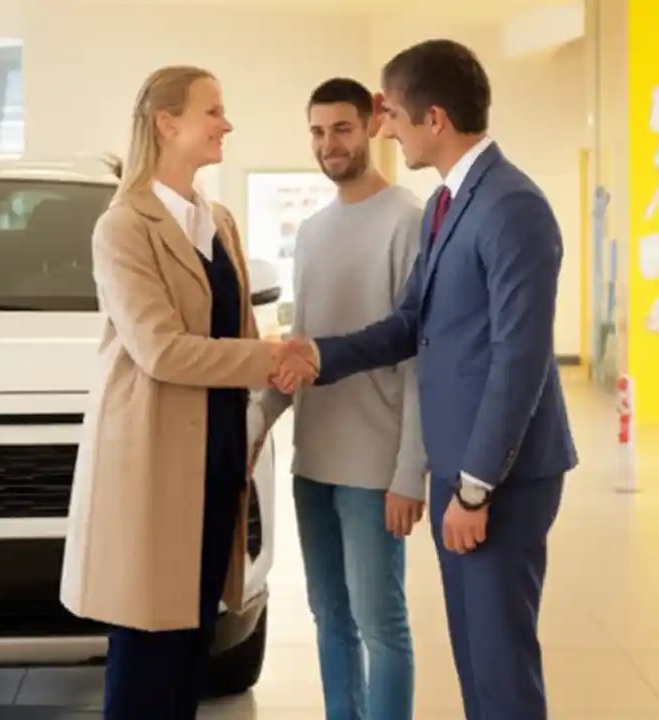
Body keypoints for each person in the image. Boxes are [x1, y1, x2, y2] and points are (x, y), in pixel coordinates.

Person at [274, 39, 578, 720]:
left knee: (501, 664)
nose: (386, 130)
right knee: (474, 655)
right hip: (459, 469)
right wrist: (319, 354)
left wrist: (473, 487)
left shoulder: (511, 206)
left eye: (393, 117)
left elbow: (520, 358)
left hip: (498, 477)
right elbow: (412, 322)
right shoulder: (451, 203)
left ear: (434, 119)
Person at [58, 65, 286, 719]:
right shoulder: (124, 226)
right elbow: (159, 349)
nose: (227, 124)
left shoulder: (219, 222)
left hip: (217, 461)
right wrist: (271, 360)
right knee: (148, 647)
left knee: (193, 648)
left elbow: (238, 331)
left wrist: (278, 367)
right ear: (168, 123)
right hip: (152, 465)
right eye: (214, 110)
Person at [251, 77, 426, 720]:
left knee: (382, 623)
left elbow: (417, 356)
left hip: (375, 468)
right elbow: (303, 348)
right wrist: (258, 422)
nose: (329, 145)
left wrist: (411, 471)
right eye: (318, 132)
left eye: (342, 129)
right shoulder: (314, 230)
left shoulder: (407, 220)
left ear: (374, 124)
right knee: (329, 616)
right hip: (313, 461)